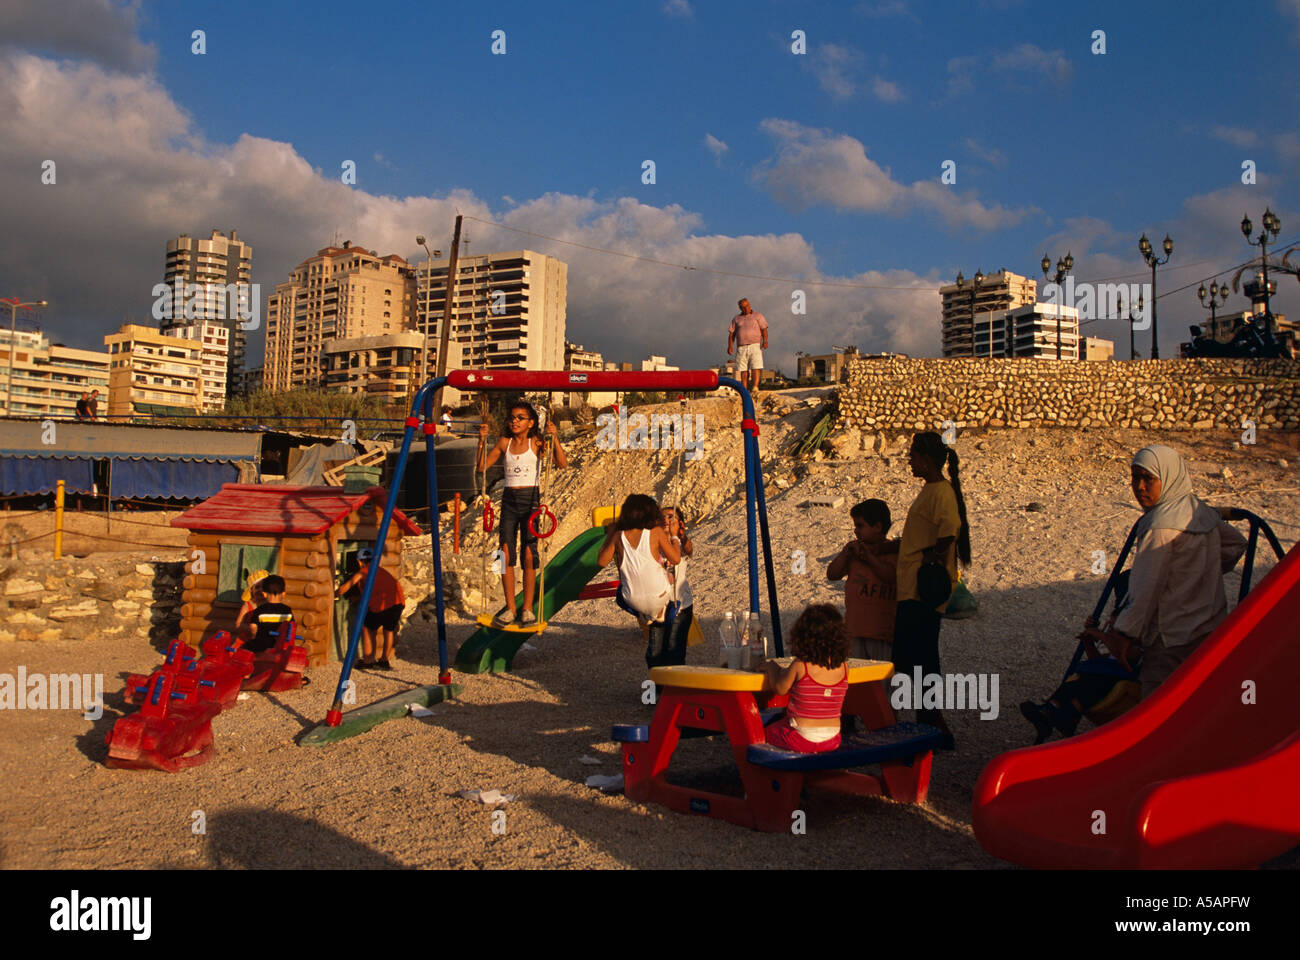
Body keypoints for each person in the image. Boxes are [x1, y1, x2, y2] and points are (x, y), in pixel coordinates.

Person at [1077, 444, 1246, 701]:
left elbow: (1146, 589)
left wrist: (1122, 633)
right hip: (1210, 626)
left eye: (1149, 479)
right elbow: (1235, 544)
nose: (1140, 487)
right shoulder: (1200, 512)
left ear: (1167, 478)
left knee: (1159, 701)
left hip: (1172, 633)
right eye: (1135, 478)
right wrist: (1203, 570)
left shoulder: (1160, 526)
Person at [889, 432, 970, 751]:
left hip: (921, 591)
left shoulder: (941, 493)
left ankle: (934, 722)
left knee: (920, 658)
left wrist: (929, 561)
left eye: (913, 455)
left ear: (925, 459)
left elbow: (949, 532)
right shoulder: (933, 491)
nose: (909, 460)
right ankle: (925, 720)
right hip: (911, 588)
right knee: (914, 657)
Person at [477, 401, 568, 626]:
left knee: (529, 554)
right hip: (508, 500)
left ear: (531, 422)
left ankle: (527, 608)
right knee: (503, 554)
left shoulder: (536, 442)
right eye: (512, 417)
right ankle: (509, 608)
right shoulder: (504, 442)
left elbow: (562, 464)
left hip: (531, 501)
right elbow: (481, 467)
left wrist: (554, 437)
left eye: (520, 417)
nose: (515, 421)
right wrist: (481, 440)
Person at [759, 604, 850, 753]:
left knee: (760, 734)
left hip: (801, 739)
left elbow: (780, 688)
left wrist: (772, 668)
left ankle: (765, 774)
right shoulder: (844, 667)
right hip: (833, 739)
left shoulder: (801, 665)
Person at [826, 498, 897, 662]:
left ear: (878, 527)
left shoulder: (892, 553)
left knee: (881, 682)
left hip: (882, 633)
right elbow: (832, 574)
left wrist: (870, 558)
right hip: (854, 631)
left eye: (860, 526)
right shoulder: (854, 552)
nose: (856, 531)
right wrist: (845, 554)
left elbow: (890, 576)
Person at [596, 494, 681, 626]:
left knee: (620, 594)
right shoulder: (656, 532)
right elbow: (676, 559)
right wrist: (675, 536)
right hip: (660, 595)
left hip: (631, 600)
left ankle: (646, 613)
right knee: (666, 573)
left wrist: (610, 535)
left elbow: (601, 562)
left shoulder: (618, 536)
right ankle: (657, 612)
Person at [335, 547, 406, 670]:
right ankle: (384, 661)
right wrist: (357, 598)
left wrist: (335, 593)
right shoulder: (381, 571)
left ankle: (368, 661)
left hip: (383, 605)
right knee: (388, 630)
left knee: (367, 628)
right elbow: (374, 590)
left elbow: (345, 588)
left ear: (359, 562)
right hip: (398, 603)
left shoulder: (363, 571)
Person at [647, 504, 694, 669]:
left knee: (674, 650)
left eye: (670, 516)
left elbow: (689, 549)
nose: (665, 520)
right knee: (654, 652)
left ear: (679, 522)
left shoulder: (680, 542)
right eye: (662, 517)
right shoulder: (652, 543)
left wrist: (680, 535)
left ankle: (673, 690)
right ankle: (658, 690)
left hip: (680, 604)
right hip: (658, 606)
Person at [240, 575, 295, 654]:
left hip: (262, 645)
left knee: (243, 649)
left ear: (264, 594)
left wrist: (253, 636)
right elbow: (291, 626)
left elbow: (253, 627)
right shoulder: (287, 610)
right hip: (280, 644)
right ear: (283, 594)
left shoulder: (260, 610)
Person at [727, 297, 768, 395]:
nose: (746, 308)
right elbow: (732, 334)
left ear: (749, 305)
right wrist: (730, 346)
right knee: (743, 369)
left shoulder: (758, 316)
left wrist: (765, 341)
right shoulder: (736, 319)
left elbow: (764, 330)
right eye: (743, 307)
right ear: (740, 308)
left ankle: (755, 387)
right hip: (741, 347)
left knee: (756, 366)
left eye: (747, 306)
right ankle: (744, 389)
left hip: (755, 345)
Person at [233, 569, 270, 638]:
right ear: (251, 591)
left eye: (264, 587)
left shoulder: (272, 605)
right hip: (246, 640)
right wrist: (250, 628)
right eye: (257, 587)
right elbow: (238, 624)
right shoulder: (248, 605)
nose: (261, 590)